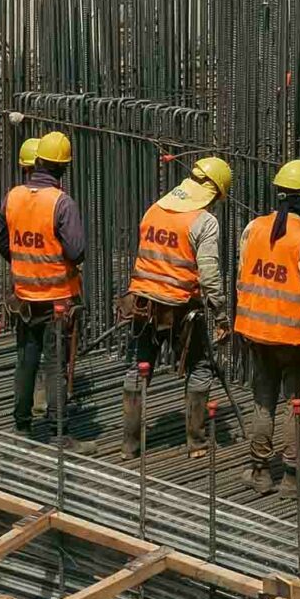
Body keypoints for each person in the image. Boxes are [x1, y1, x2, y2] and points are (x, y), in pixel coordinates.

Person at [232, 158, 300, 494]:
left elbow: (241, 279)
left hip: (256, 333)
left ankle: (260, 472)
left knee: (263, 401)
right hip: (295, 339)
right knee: (297, 406)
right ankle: (293, 478)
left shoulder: (253, 228)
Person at [123, 154, 232, 457]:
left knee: (139, 368)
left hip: (143, 304)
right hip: (182, 308)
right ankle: (196, 443)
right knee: (199, 368)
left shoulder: (154, 209)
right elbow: (210, 276)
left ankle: (129, 444)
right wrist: (222, 317)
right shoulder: (204, 221)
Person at [2, 129, 86, 435]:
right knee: (54, 363)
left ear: (36, 162)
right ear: (63, 167)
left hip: (24, 296)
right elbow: (77, 251)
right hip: (57, 299)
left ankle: (22, 426)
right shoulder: (62, 203)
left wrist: (27, 263)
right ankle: (58, 430)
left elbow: (4, 244)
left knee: (26, 360)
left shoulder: (12, 197)